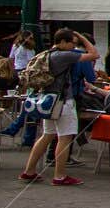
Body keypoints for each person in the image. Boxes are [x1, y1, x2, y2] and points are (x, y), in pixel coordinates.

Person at [18, 28, 98, 187]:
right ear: (62, 42)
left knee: (47, 135)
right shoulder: (64, 55)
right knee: (65, 137)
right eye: (71, 43)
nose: (73, 46)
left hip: (48, 100)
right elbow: (94, 54)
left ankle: (29, 171)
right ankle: (60, 176)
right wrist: (81, 36)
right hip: (63, 100)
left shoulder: (46, 54)